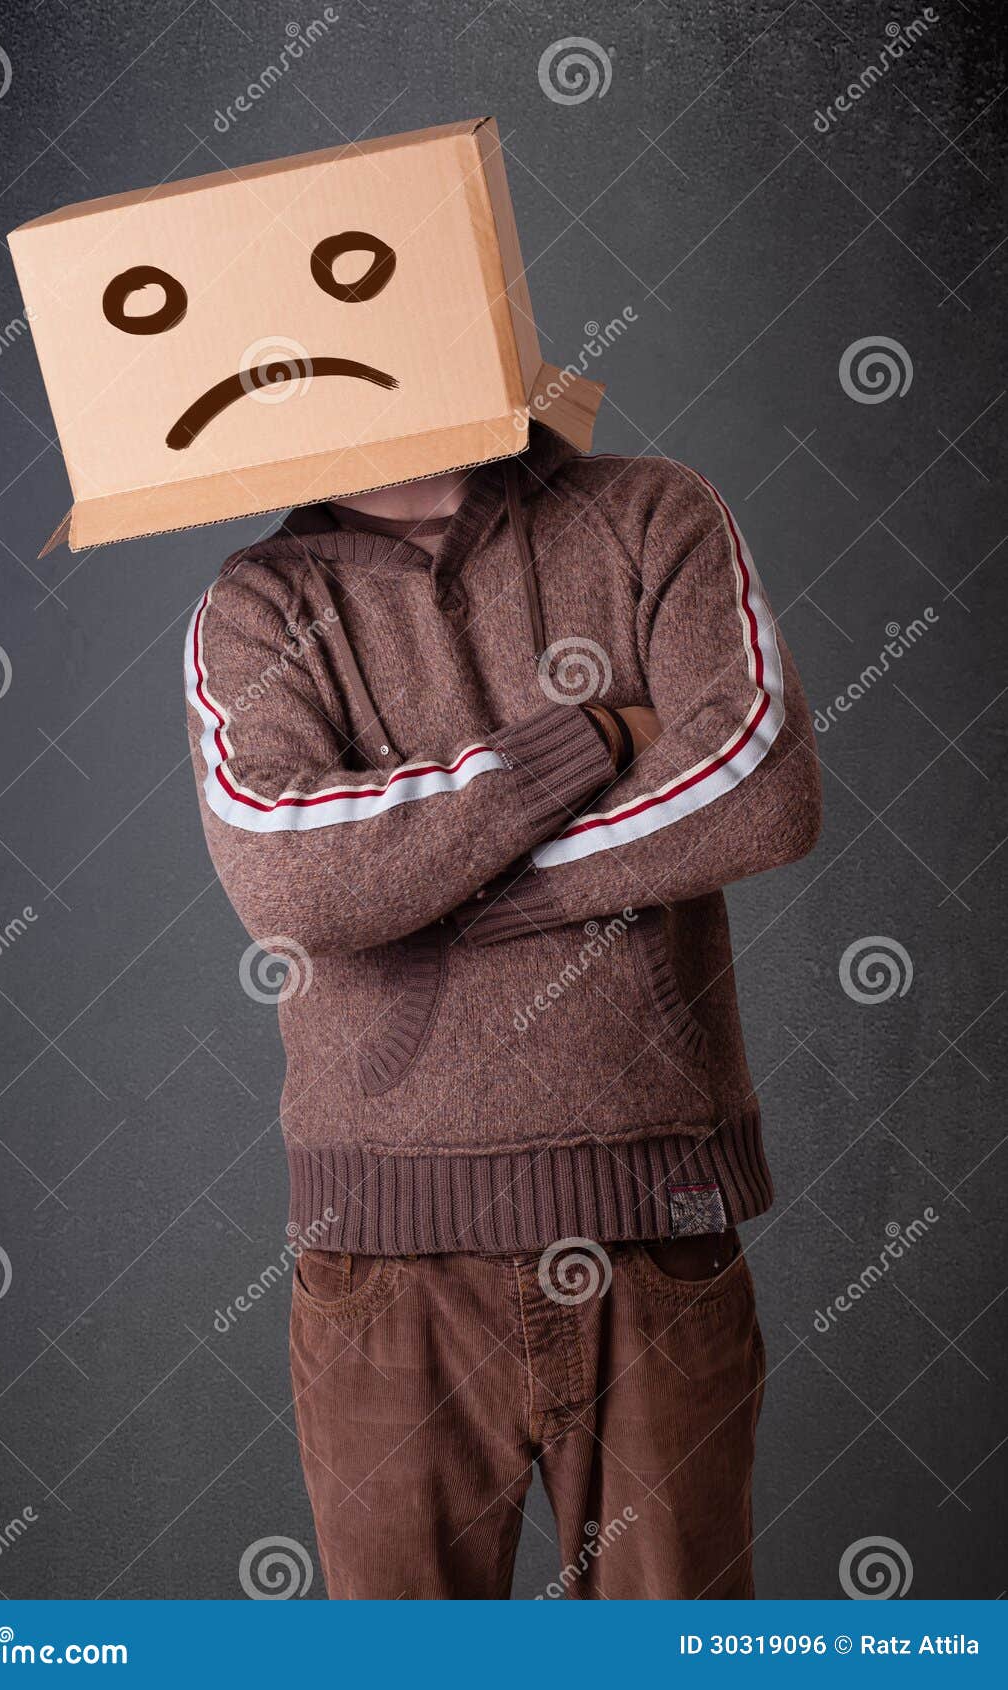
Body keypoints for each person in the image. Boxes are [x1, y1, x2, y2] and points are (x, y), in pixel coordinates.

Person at [185, 423, 822, 1599]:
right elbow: (291, 880)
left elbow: (760, 787)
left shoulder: (651, 514)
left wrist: (433, 886)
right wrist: (588, 739)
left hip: (653, 1220)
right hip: (387, 1259)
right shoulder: (258, 604)